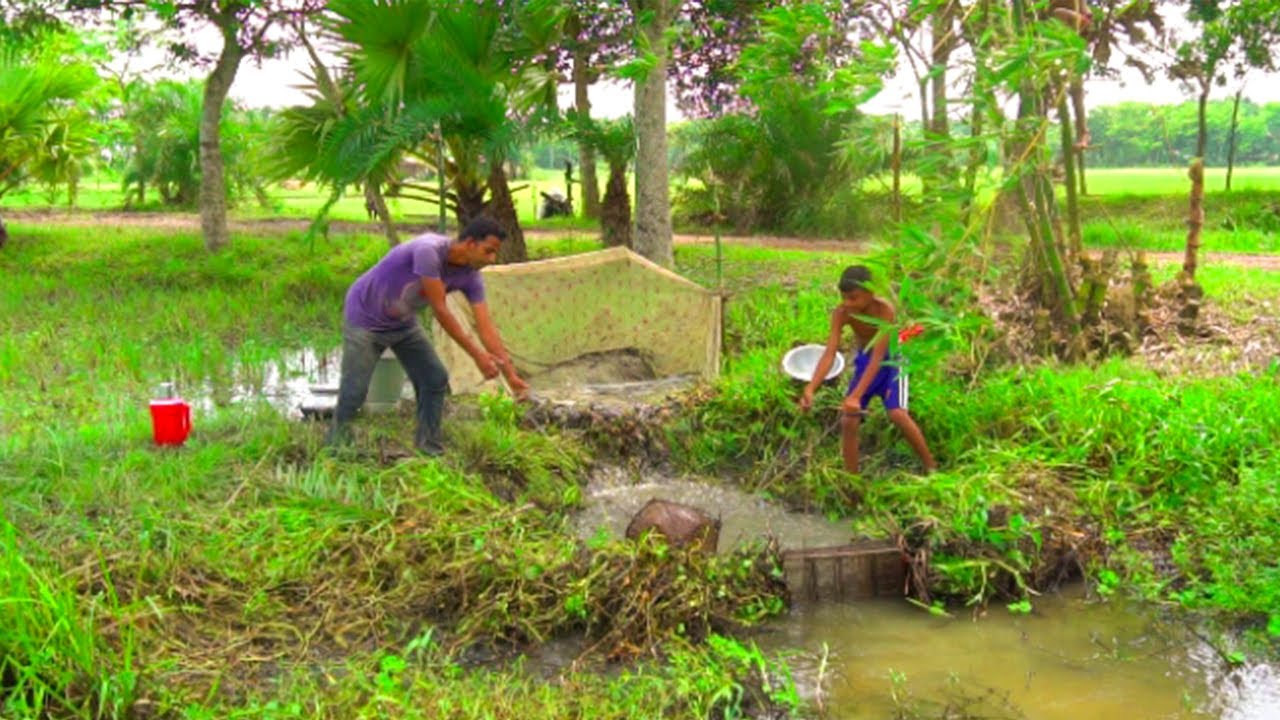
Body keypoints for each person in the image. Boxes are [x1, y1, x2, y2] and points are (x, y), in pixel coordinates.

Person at [326, 216, 529, 455]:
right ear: (471, 243)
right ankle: (334, 446)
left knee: (434, 378)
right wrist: (478, 357)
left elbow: (486, 328)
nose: (491, 259)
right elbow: (440, 310)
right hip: (365, 318)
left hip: (402, 323)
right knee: (355, 390)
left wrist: (511, 375)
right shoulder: (429, 251)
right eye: (488, 251)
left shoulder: (471, 278)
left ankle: (428, 447)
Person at [798, 265, 937, 475]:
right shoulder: (841, 314)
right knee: (848, 419)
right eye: (843, 297)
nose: (847, 303)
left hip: (892, 359)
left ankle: (931, 467)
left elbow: (879, 356)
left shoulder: (884, 311)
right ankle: (851, 479)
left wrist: (855, 395)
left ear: (870, 294)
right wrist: (811, 388)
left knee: (897, 413)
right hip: (866, 360)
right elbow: (829, 353)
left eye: (853, 298)